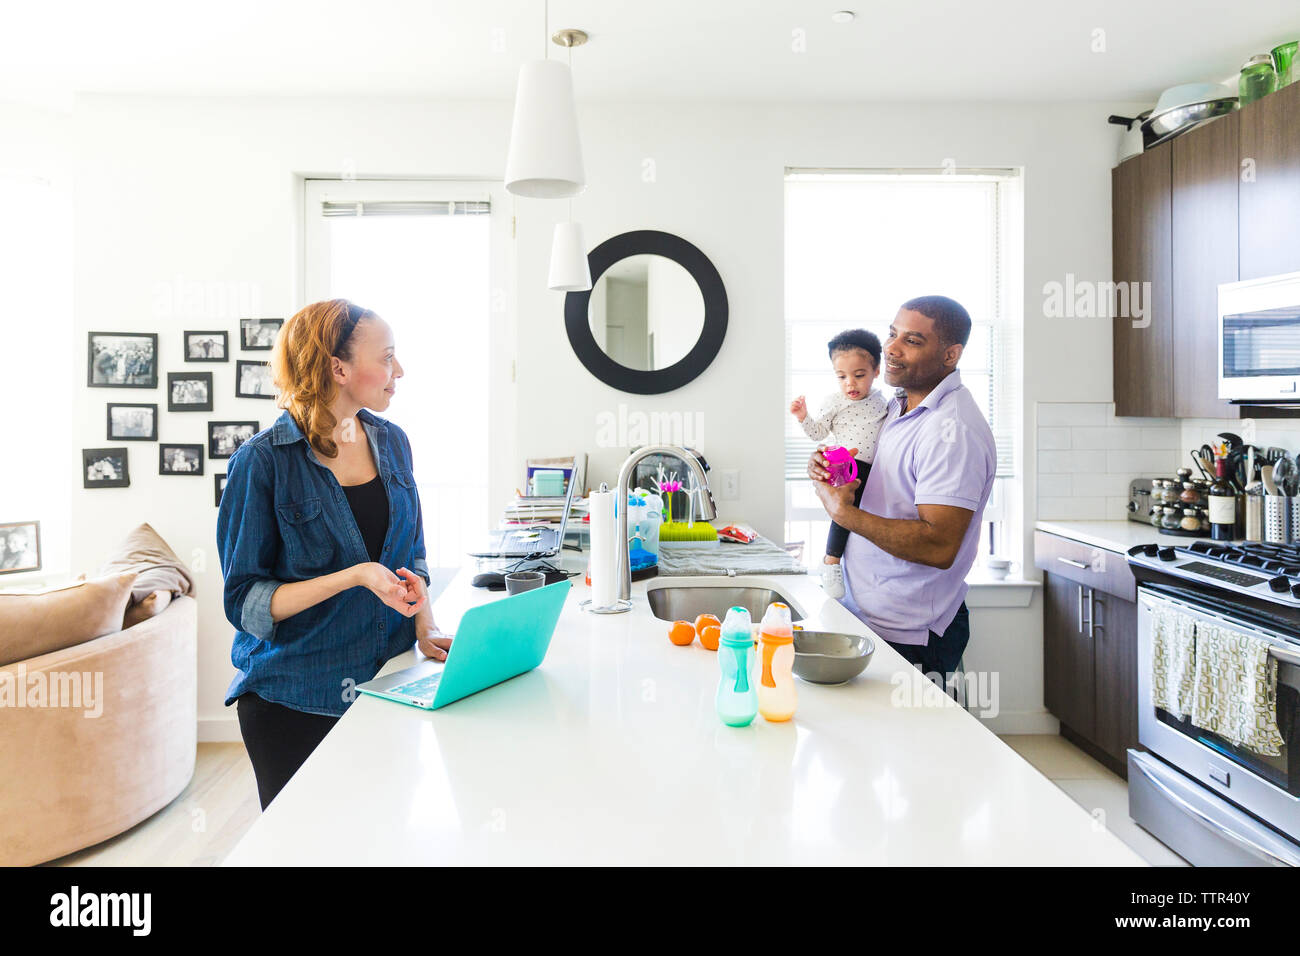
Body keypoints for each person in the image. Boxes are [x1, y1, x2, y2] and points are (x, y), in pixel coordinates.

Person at [217, 298, 452, 810]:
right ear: (337, 367)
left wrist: (424, 624)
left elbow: (412, 552)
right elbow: (246, 603)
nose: (400, 371)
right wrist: (354, 576)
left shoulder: (393, 443)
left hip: (391, 684)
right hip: (296, 704)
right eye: (387, 357)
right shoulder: (261, 464)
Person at [807, 295, 996, 685]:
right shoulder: (897, 406)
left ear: (950, 354)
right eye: (892, 334)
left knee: (911, 745)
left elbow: (939, 545)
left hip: (910, 634)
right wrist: (829, 469)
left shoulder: (952, 430)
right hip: (866, 612)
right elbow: (883, 487)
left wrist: (844, 514)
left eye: (912, 340)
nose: (890, 348)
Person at [788, 328, 888, 598]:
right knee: (844, 513)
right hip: (846, 467)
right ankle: (831, 563)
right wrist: (803, 416)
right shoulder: (834, 402)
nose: (850, 384)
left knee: (868, 515)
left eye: (859, 375)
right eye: (841, 377)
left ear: (876, 371)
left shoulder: (883, 401)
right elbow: (818, 433)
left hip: (875, 470)